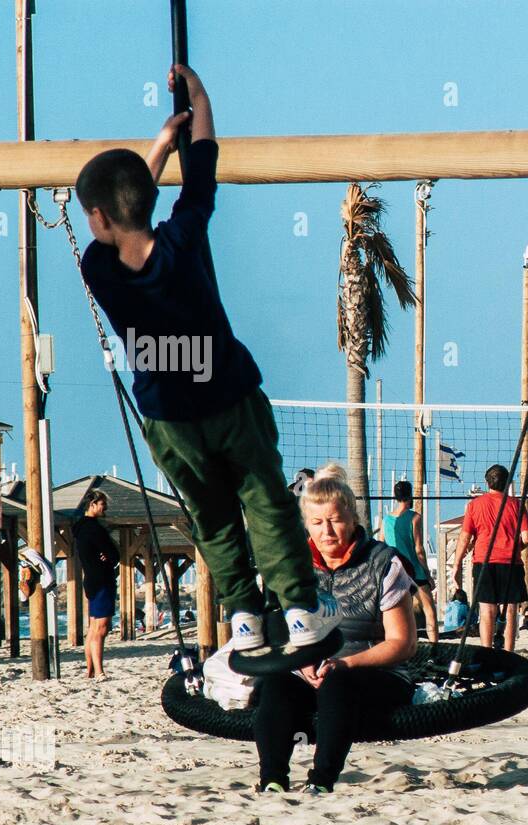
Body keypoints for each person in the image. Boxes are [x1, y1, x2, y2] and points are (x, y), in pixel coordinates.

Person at [76, 63, 336, 655]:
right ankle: (297, 607)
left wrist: (158, 147)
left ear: (97, 219)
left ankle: (243, 617)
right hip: (227, 395)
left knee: (212, 516)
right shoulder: (184, 238)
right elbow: (204, 171)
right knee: (266, 499)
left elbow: (128, 203)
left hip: (169, 416)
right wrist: (199, 100)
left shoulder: (98, 267)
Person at [254, 465, 417, 793]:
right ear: (306, 526)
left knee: (338, 682)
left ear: (353, 519)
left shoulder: (385, 564)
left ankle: (322, 780)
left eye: (335, 520)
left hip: (372, 671)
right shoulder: (292, 568)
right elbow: (276, 634)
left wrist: (345, 663)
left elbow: (403, 643)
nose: (327, 531)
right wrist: (301, 662)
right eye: (316, 523)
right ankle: (272, 780)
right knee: (275, 686)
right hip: (307, 670)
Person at [451, 464, 528, 651]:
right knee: (510, 609)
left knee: (487, 609)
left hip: (483, 560)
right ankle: (509, 652)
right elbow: (527, 537)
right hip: (510, 561)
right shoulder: (516, 505)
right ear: (507, 483)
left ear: (487, 482)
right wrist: (515, 548)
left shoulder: (474, 505)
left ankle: (487, 651)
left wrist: (456, 564)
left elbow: (464, 537)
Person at [72, 489, 119, 679]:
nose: (105, 508)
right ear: (92, 504)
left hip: (91, 580)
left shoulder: (80, 528)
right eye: (102, 504)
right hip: (101, 580)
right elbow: (114, 554)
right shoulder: (94, 528)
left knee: (93, 628)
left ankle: (90, 670)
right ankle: (98, 671)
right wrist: (110, 555)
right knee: (101, 627)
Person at [383, 481, 438, 642]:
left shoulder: (386, 520)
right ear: (410, 495)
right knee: (430, 613)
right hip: (415, 571)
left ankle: (404, 649)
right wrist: (428, 574)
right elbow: (419, 549)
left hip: (396, 572)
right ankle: (435, 650)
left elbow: (382, 544)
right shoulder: (415, 517)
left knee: (401, 614)